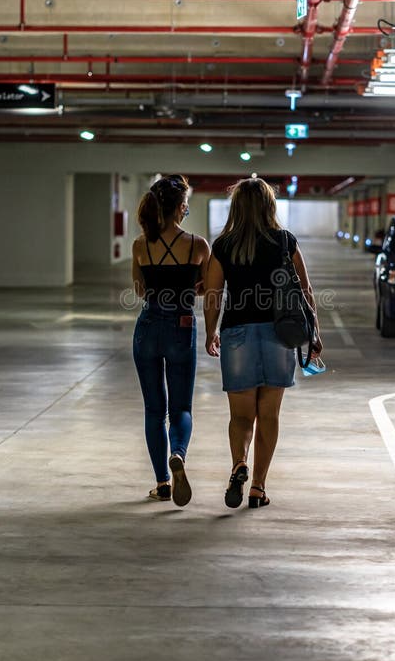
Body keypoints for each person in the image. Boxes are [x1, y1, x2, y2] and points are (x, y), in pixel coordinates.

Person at [204, 177, 322, 509]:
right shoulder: (285, 241)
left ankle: (239, 462)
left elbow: (213, 295)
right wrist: (315, 334)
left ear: (236, 208)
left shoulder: (223, 245)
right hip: (279, 334)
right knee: (268, 414)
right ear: (270, 206)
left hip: (238, 334)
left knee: (241, 415)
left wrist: (211, 330)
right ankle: (257, 487)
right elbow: (305, 292)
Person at [132, 175, 210, 506]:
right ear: (181, 207)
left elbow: (139, 290)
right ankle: (177, 454)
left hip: (148, 325)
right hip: (181, 324)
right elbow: (205, 288)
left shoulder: (140, 245)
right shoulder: (197, 245)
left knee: (154, 409)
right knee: (181, 407)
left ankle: (162, 483)